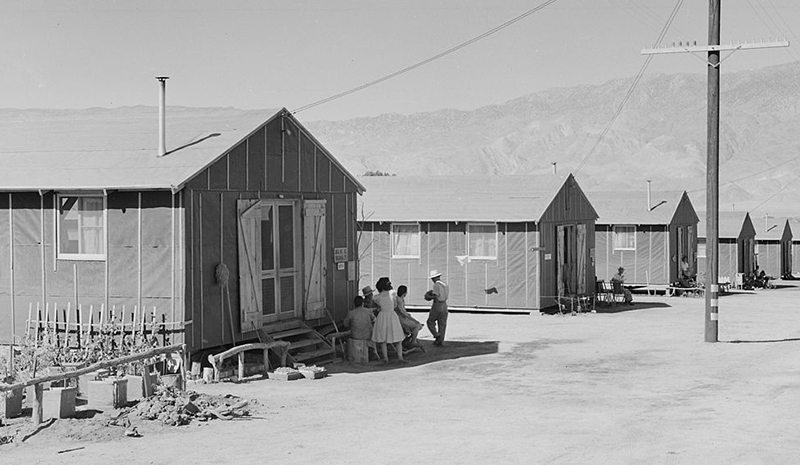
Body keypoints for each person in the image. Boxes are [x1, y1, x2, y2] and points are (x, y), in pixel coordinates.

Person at [371, 277, 406, 364]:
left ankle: (385, 358)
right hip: (392, 315)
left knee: (383, 338)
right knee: (397, 336)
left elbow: (377, 305)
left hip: (382, 316)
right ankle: (400, 357)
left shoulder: (377, 297)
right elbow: (394, 305)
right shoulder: (392, 293)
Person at [343, 296, 379, 360]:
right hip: (368, 335)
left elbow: (345, 324)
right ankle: (374, 352)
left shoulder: (351, 313)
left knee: (347, 334)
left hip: (355, 335)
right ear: (363, 303)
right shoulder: (368, 311)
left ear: (354, 304)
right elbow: (374, 320)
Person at [395, 285, 425, 352]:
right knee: (417, 326)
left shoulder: (400, 299)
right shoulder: (398, 300)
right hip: (401, 319)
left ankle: (409, 340)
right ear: (405, 293)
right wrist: (414, 320)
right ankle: (413, 341)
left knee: (418, 326)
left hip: (403, 318)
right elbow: (403, 312)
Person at [424, 270, 449, 346]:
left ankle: (436, 335)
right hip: (444, 304)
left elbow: (436, 296)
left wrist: (428, 296)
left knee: (430, 321)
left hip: (437, 304)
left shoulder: (436, 285)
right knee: (442, 323)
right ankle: (441, 340)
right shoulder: (445, 284)